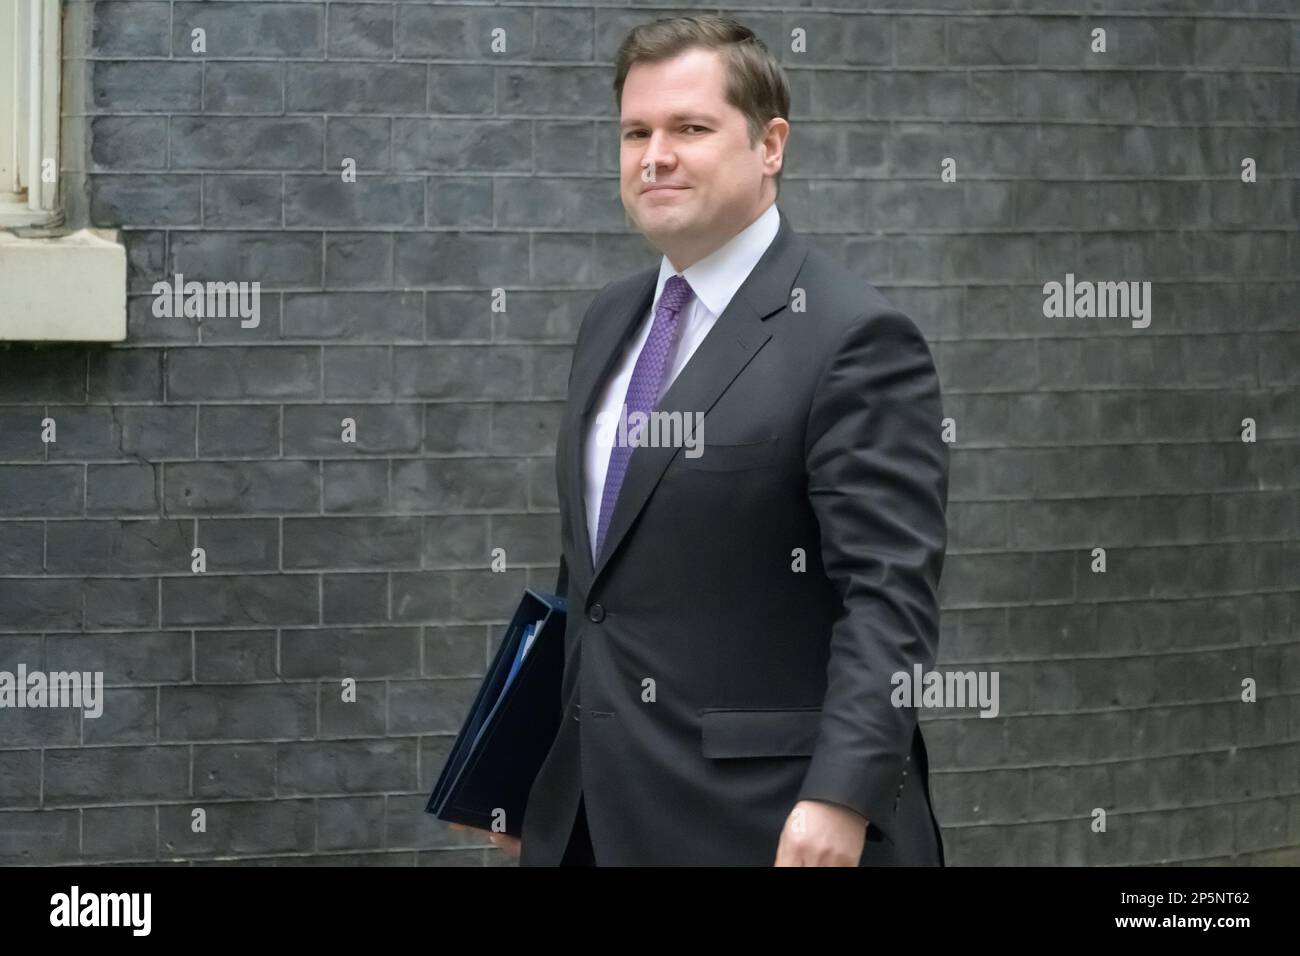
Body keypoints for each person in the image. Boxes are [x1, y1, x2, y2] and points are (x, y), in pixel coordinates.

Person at [454, 13, 948, 867]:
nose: (655, 155)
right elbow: (593, 581)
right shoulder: (612, 319)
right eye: (636, 132)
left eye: (689, 128)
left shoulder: (853, 337)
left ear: (770, 145)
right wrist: (514, 763)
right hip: (587, 812)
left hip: (765, 823)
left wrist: (841, 796)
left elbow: (890, 598)